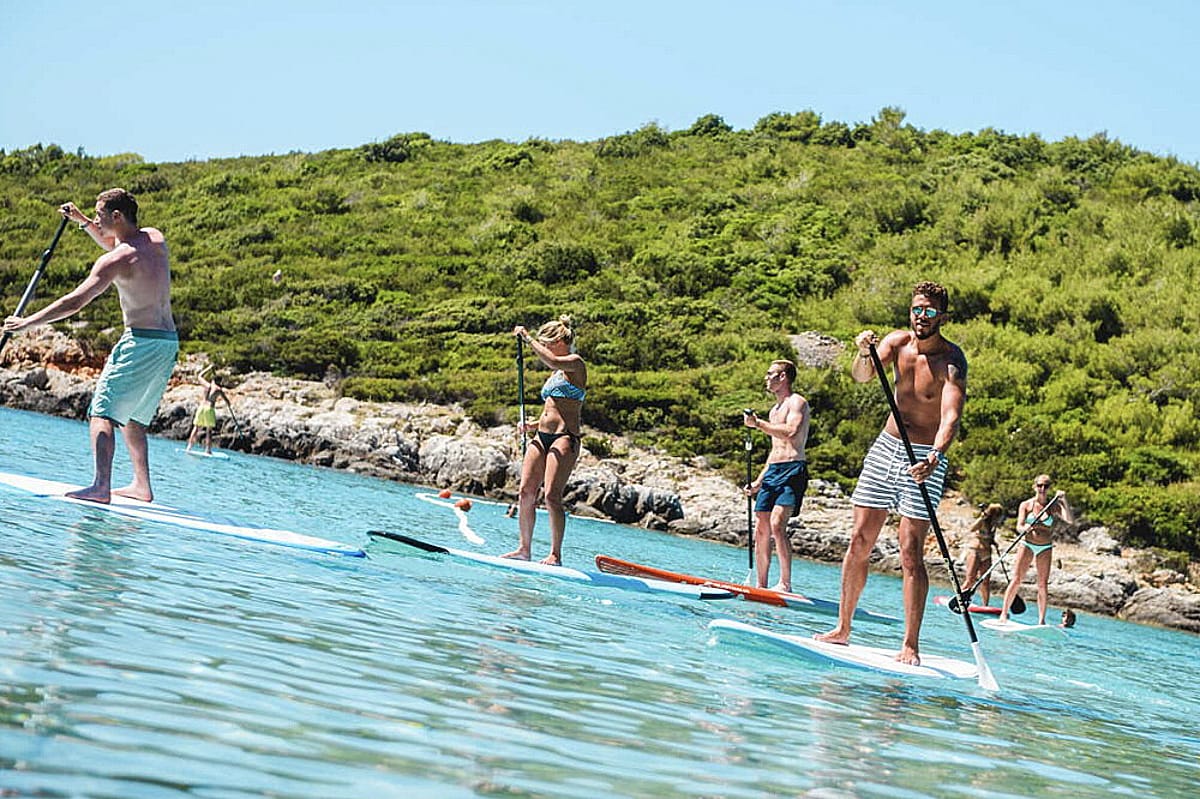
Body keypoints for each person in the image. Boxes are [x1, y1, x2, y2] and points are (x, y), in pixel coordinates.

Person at [816, 281, 966, 665]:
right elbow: (863, 375)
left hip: (925, 456)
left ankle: (910, 644)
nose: (922, 317)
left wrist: (935, 455)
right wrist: (863, 352)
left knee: (910, 552)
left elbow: (950, 416)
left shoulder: (952, 361)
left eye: (930, 312)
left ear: (942, 317)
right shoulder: (897, 343)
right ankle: (843, 627)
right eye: (918, 309)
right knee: (858, 540)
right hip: (886, 447)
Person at [3, 189, 177, 503]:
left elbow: (75, 302)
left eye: (98, 214)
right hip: (167, 343)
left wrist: (26, 323)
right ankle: (141, 486)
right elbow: (118, 245)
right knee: (134, 418)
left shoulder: (115, 260)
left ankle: (100, 487)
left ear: (117, 217)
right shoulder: (155, 239)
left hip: (140, 342)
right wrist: (83, 222)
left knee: (102, 412)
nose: (96, 218)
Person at [502, 316, 587, 566]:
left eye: (548, 344)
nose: (546, 349)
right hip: (542, 436)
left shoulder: (575, 364)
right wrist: (532, 426)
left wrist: (527, 338)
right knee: (526, 491)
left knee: (551, 496)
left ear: (560, 341)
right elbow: (554, 407)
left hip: (564, 438)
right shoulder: (557, 374)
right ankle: (524, 549)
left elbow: (551, 361)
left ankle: (555, 554)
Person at [742, 360, 811, 593]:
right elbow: (774, 450)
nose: (766, 378)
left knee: (777, 524)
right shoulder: (774, 410)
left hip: (793, 469)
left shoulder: (797, 402)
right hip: (774, 471)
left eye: (770, 374)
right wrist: (758, 482)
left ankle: (785, 583)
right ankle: (761, 584)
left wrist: (758, 424)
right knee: (761, 526)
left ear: (783, 377)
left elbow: (792, 433)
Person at [998, 474, 1075, 625]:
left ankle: (1041, 620)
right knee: (1016, 579)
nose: (1042, 489)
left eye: (1046, 486)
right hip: (1027, 544)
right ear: (1034, 486)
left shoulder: (1054, 506)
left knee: (1042, 584)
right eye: (1040, 485)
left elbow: (1070, 520)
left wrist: (1064, 500)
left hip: (1045, 547)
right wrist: (1023, 528)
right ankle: (1003, 613)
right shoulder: (1026, 505)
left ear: (1049, 488)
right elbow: (1019, 526)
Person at [186, 365, 237, 454]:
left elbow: (199, 376)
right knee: (209, 431)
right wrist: (228, 404)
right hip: (209, 409)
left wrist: (208, 369)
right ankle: (208, 450)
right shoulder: (218, 389)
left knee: (196, 428)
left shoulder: (206, 385)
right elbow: (227, 401)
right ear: (219, 382)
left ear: (213, 380)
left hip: (201, 408)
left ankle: (189, 447)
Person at [962, 503, 1005, 606]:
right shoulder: (982, 520)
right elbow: (972, 529)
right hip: (975, 550)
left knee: (985, 582)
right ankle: (960, 599)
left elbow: (990, 537)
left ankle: (985, 605)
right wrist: (981, 518)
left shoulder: (994, 525)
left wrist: (993, 542)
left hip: (987, 553)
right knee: (970, 579)